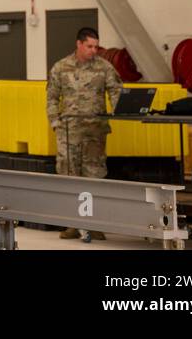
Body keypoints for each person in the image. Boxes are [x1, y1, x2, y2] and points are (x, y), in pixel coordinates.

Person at [46, 26, 123, 241]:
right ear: (79, 44)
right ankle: (72, 224)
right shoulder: (61, 68)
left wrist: (121, 111)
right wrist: (55, 123)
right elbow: (51, 97)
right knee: (69, 176)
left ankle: (94, 224)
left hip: (94, 132)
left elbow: (117, 92)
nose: (93, 50)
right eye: (89, 46)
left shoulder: (105, 68)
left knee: (95, 176)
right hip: (69, 132)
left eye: (96, 46)